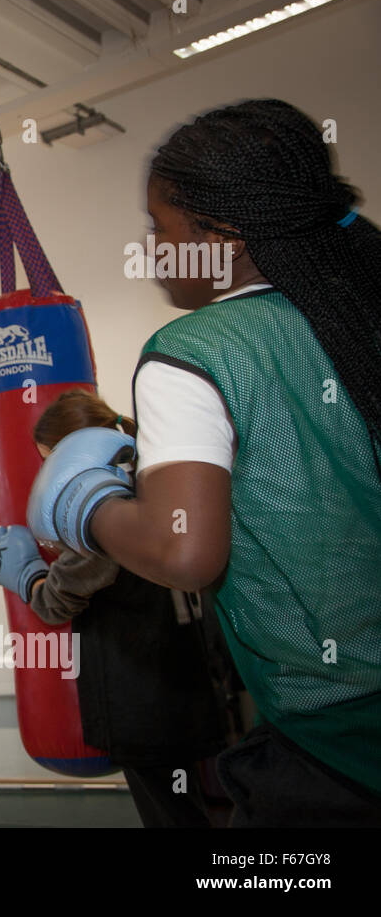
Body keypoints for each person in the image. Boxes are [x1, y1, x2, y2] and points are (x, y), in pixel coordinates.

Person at [27, 100, 381, 825]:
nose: (151, 247)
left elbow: (184, 551)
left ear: (222, 234)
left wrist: (89, 505)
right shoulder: (360, 309)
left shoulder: (194, 351)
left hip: (329, 735)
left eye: (160, 226)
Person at [0, 390, 234, 827]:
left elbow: (55, 603)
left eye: (50, 461)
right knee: (204, 804)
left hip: (142, 691)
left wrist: (26, 576)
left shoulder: (99, 509)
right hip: (193, 680)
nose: (50, 476)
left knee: (173, 814)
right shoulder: (151, 480)